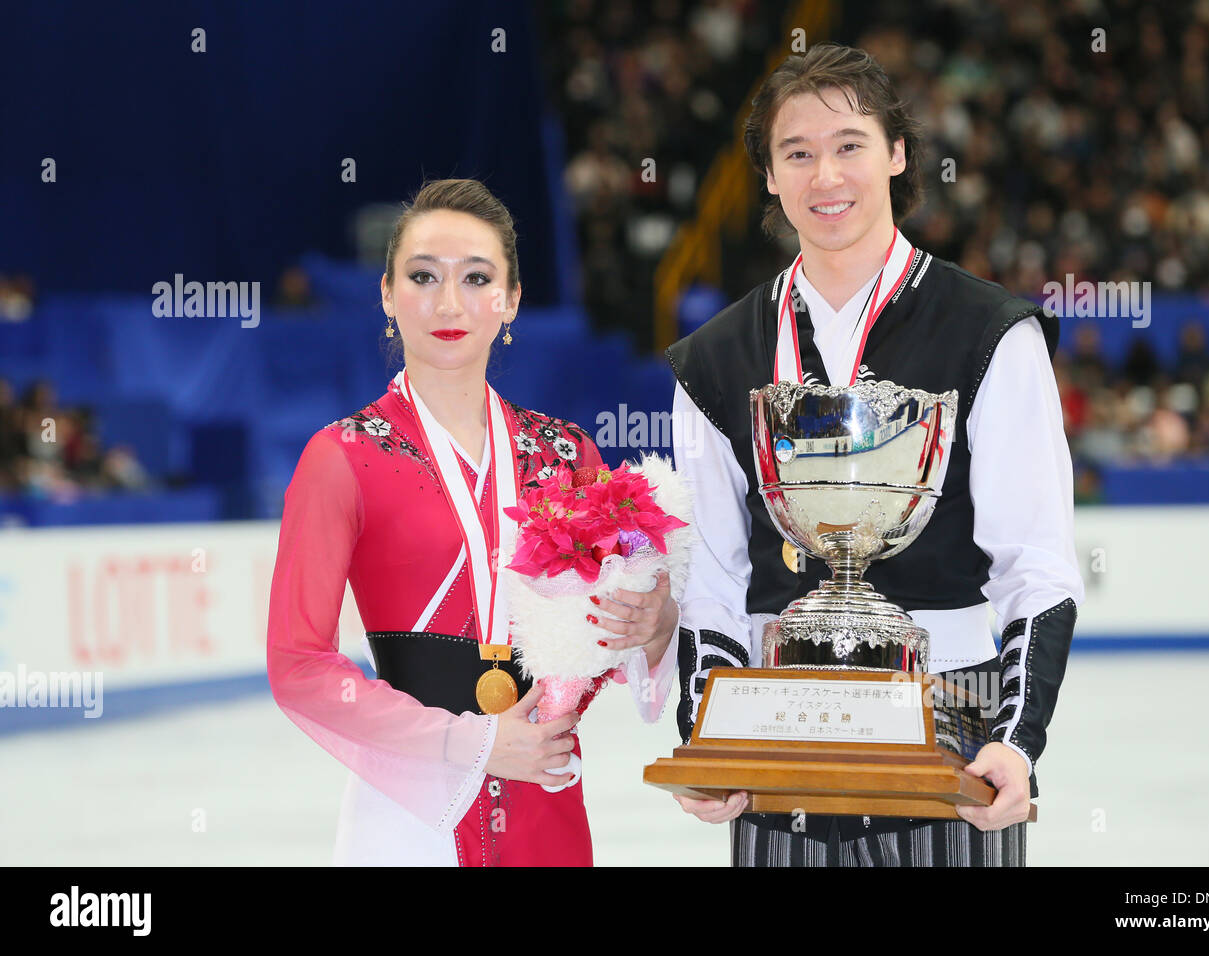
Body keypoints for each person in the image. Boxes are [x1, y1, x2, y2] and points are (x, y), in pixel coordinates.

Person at [666, 43, 1084, 866]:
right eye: (798, 153)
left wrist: (1016, 740)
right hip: (776, 733)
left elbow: (1035, 563)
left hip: (954, 727)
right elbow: (709, 579)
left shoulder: (990, 333)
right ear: (769, 176)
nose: (826, 176)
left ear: (897, 153)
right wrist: (703, 734)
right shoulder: (715, 360)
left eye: (849, 145)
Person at [266, 178, 680, 866]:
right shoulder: (342, 456)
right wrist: (475, 744)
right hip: (409, 814)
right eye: (423, 276)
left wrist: (654, 627)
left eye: (477, 278)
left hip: (546, 793)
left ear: (511, 299)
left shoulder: (566, 453)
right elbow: (298, 666)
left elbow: (605, 644)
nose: (449, 303)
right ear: (387, 295)